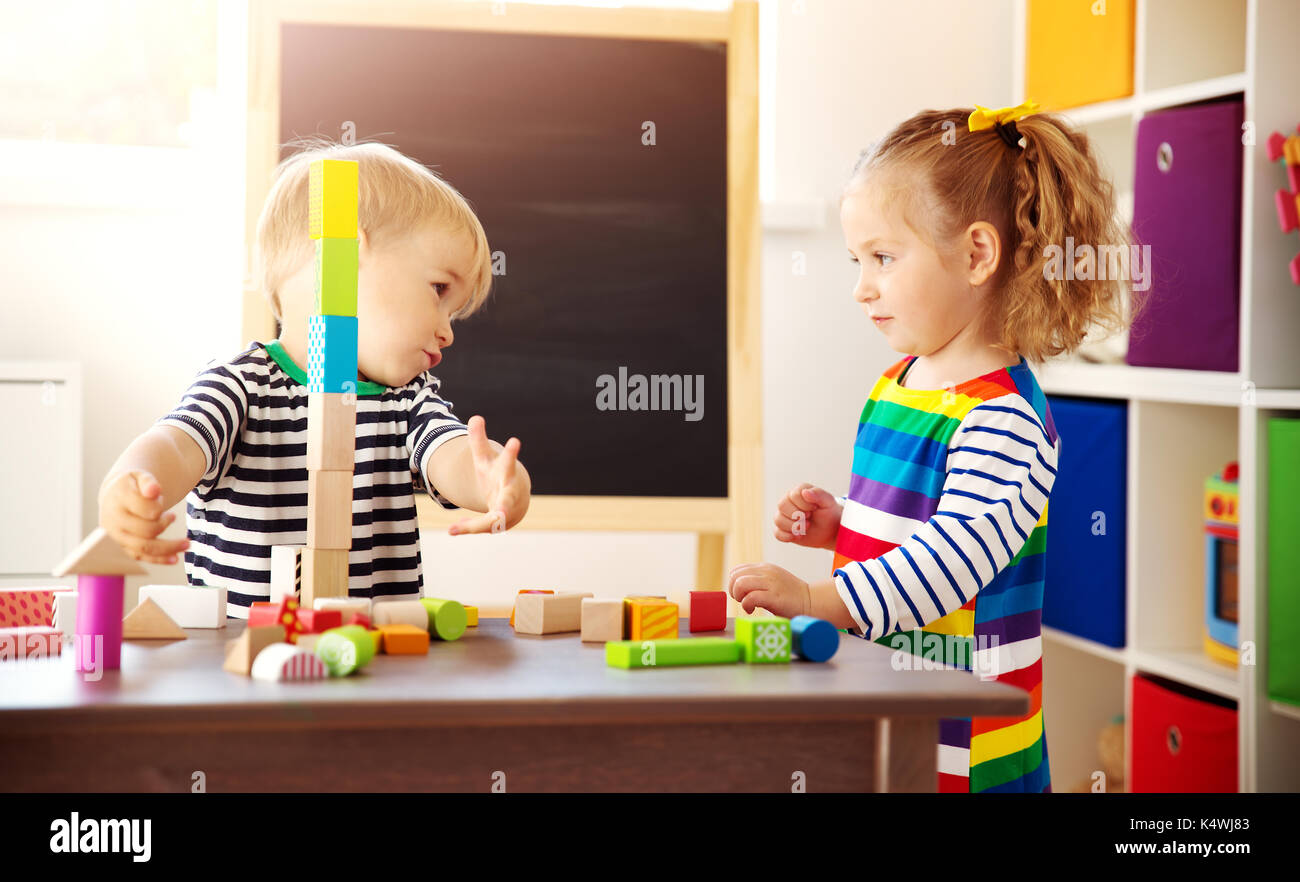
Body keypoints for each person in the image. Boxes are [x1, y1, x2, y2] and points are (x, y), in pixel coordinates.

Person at [728, 101, 1140, 792]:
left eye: (884, 258)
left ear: (978, 253)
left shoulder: (1005, 418)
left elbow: (949, 562)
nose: (862, 288)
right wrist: (847, 523)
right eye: (857, 260)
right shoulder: (901, 382)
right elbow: (917, 523)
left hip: (963, 741)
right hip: (893, 704)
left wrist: (813, 595)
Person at [98, 139, 530, 617]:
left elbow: (453, 457)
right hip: (245, 662)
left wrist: (496, 484)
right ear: (344, 252)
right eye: (439, 290)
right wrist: (131, 484)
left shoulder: (404, 402)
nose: (448, 331)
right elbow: (177, 446)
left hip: (369, 660)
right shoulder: (242, 386)